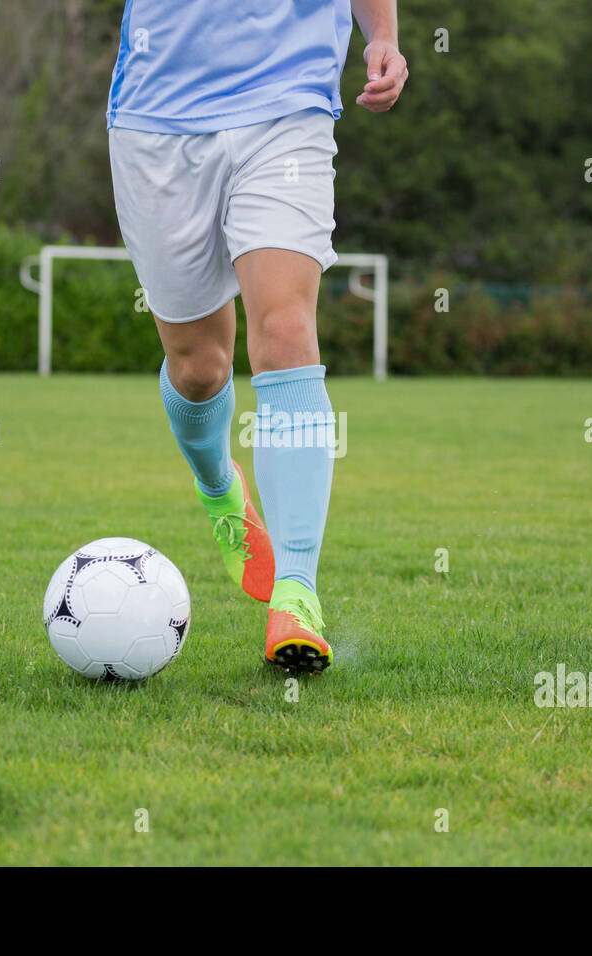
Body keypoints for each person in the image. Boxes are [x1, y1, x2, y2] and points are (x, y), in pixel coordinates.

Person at [107, 1, 407, 672]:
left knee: (286, 326)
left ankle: (296, 596)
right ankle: (219, 486)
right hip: (158, 119)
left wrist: (381, 36)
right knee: (199, 368)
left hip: (287, 105)